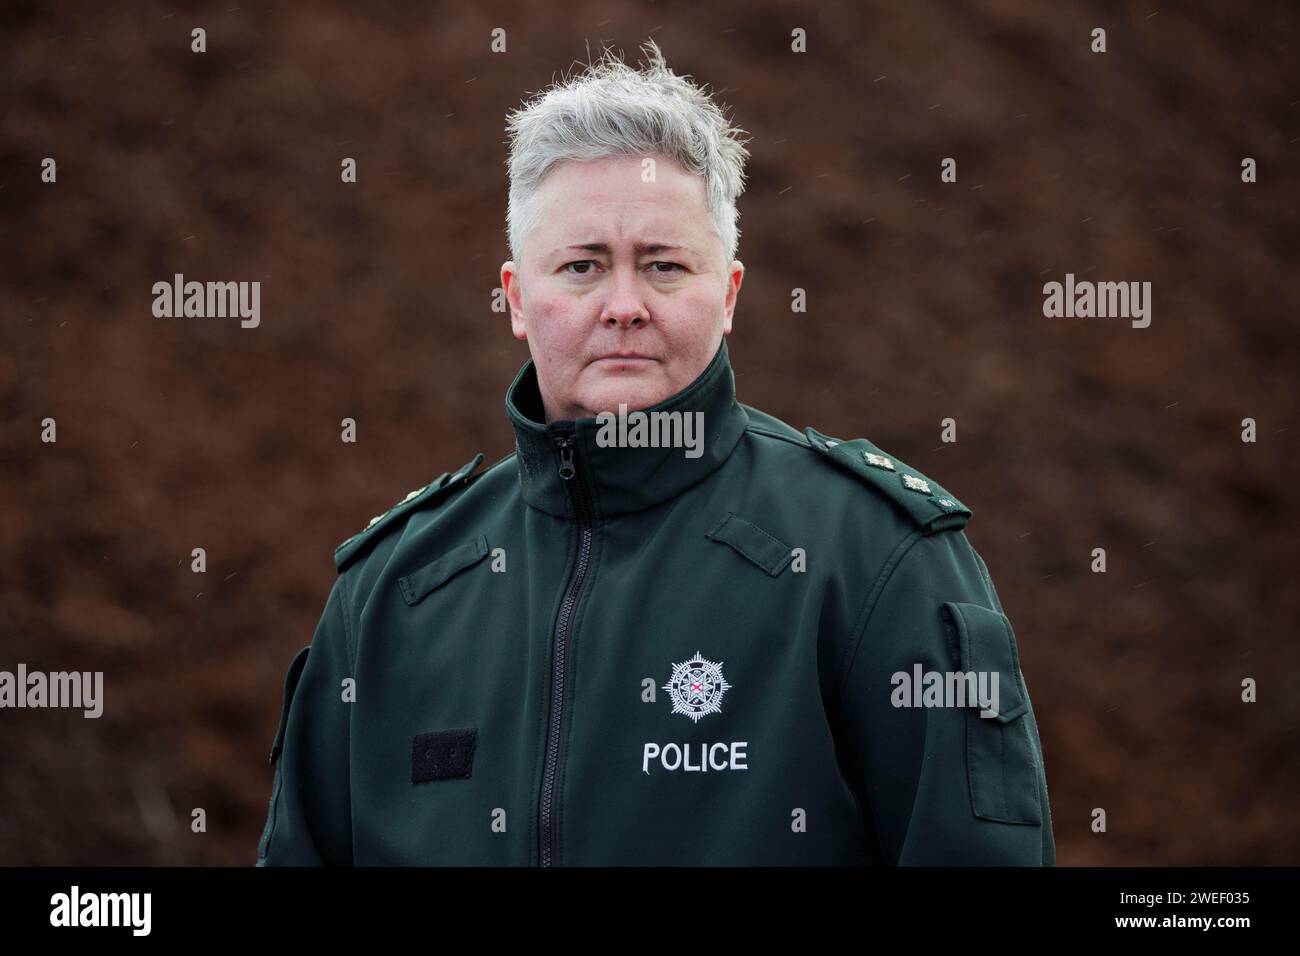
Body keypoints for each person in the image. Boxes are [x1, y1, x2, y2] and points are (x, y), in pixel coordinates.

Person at [256, 39, 1055, 866]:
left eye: (665, 266)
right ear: (516, 299)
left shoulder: (877, 559)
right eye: (581, 266)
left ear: (731, 295)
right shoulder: (387, 596)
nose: (625, 306)